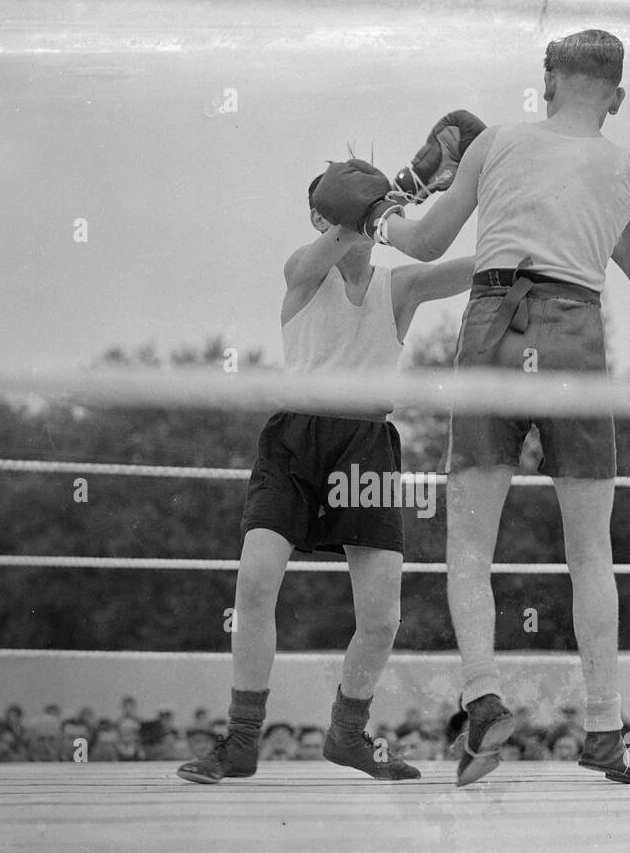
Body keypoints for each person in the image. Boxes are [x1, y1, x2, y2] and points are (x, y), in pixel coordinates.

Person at [376, 28, 630, 786]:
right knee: (590, 551)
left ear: (546, 85)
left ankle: (483, 697)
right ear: (618, 97)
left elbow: (427, 244)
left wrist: (379, 212)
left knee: (470, 545)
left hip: (493, 320)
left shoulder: (494, 142)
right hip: (575, 329)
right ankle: (604, 732)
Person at [177, 166, 475, 784]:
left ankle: (346, 734)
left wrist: (487, 187)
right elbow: (319, 254)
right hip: (296, 440)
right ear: (322, 219)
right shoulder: (304, 272)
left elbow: (482, 268)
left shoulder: (403, 285)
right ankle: (239, 741)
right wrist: (364, 209)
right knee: (256, 583)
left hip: (366, 446)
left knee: (383, 617)